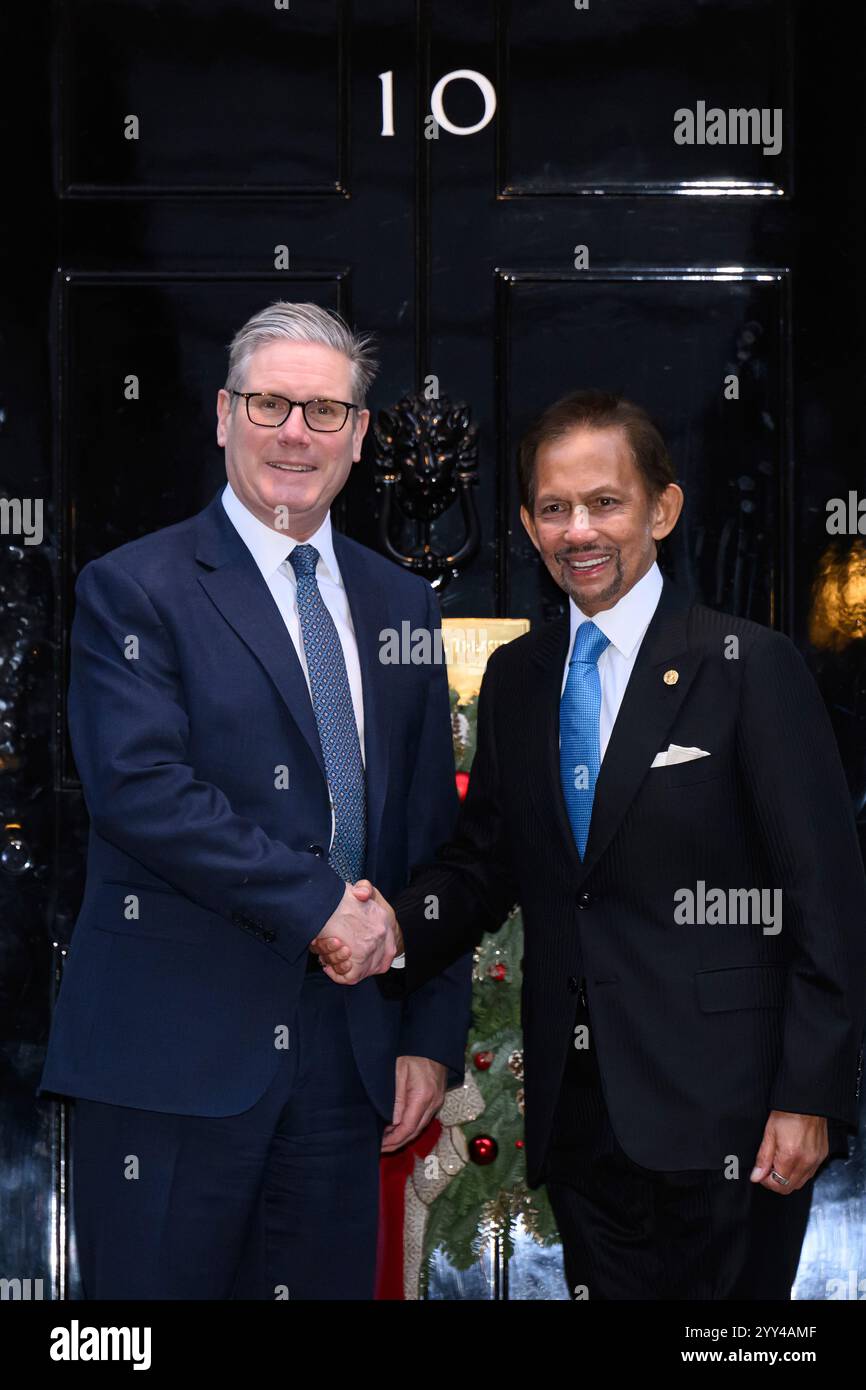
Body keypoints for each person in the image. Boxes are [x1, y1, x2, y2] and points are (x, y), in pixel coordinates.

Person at [316, 389, 866, 1301]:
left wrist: (809, 1096)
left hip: (732, 1120)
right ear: (530, 527)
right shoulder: (518, 678)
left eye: (605, 502)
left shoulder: (748, 666)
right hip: (581, 1118)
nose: (580, 530)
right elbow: (487, 861)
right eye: (554, 508)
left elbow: (827, 904)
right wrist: (390, 929)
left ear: (662, 509)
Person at [38, 301, 472, 1300]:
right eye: (269, 403)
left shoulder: (400, 605)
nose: (293, 433)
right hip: (171, 1063)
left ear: (358, 438)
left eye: (323, 412)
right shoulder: (133, 588)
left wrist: (424, 1034)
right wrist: (318, 904)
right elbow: (139, 791)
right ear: (225, 415)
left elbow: (423, 834)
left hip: (347, 1065)